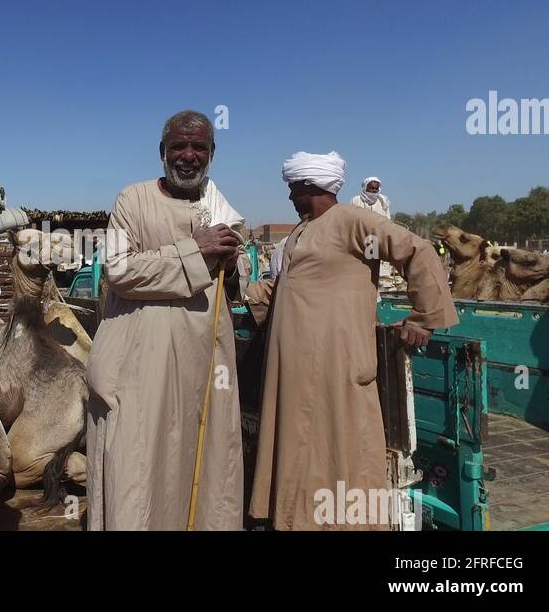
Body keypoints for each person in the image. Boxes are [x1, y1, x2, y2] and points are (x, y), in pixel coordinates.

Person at [244, 151, 459, 530]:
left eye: (293, 189)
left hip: (336, 365)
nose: (290, 198)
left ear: (309, 185)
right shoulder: (301, 230)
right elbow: (288, 288)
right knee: (297, 449)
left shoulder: (354, 220)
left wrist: (424, 318)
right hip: (293, 370)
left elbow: (417, 250)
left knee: (337, 449)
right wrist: (243, 290)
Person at [86, 110, 246, 530]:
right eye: (179, 146)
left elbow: (237, 283)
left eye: (199, 147)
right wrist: (194, 250)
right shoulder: (132, 199)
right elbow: (119, 270)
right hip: (141, 360)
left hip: (205, 361)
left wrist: (232, 263)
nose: (188, 156)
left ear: (212, 154)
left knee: (205, 457)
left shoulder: (220, 209)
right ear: (162, 152)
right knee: (137, 460)